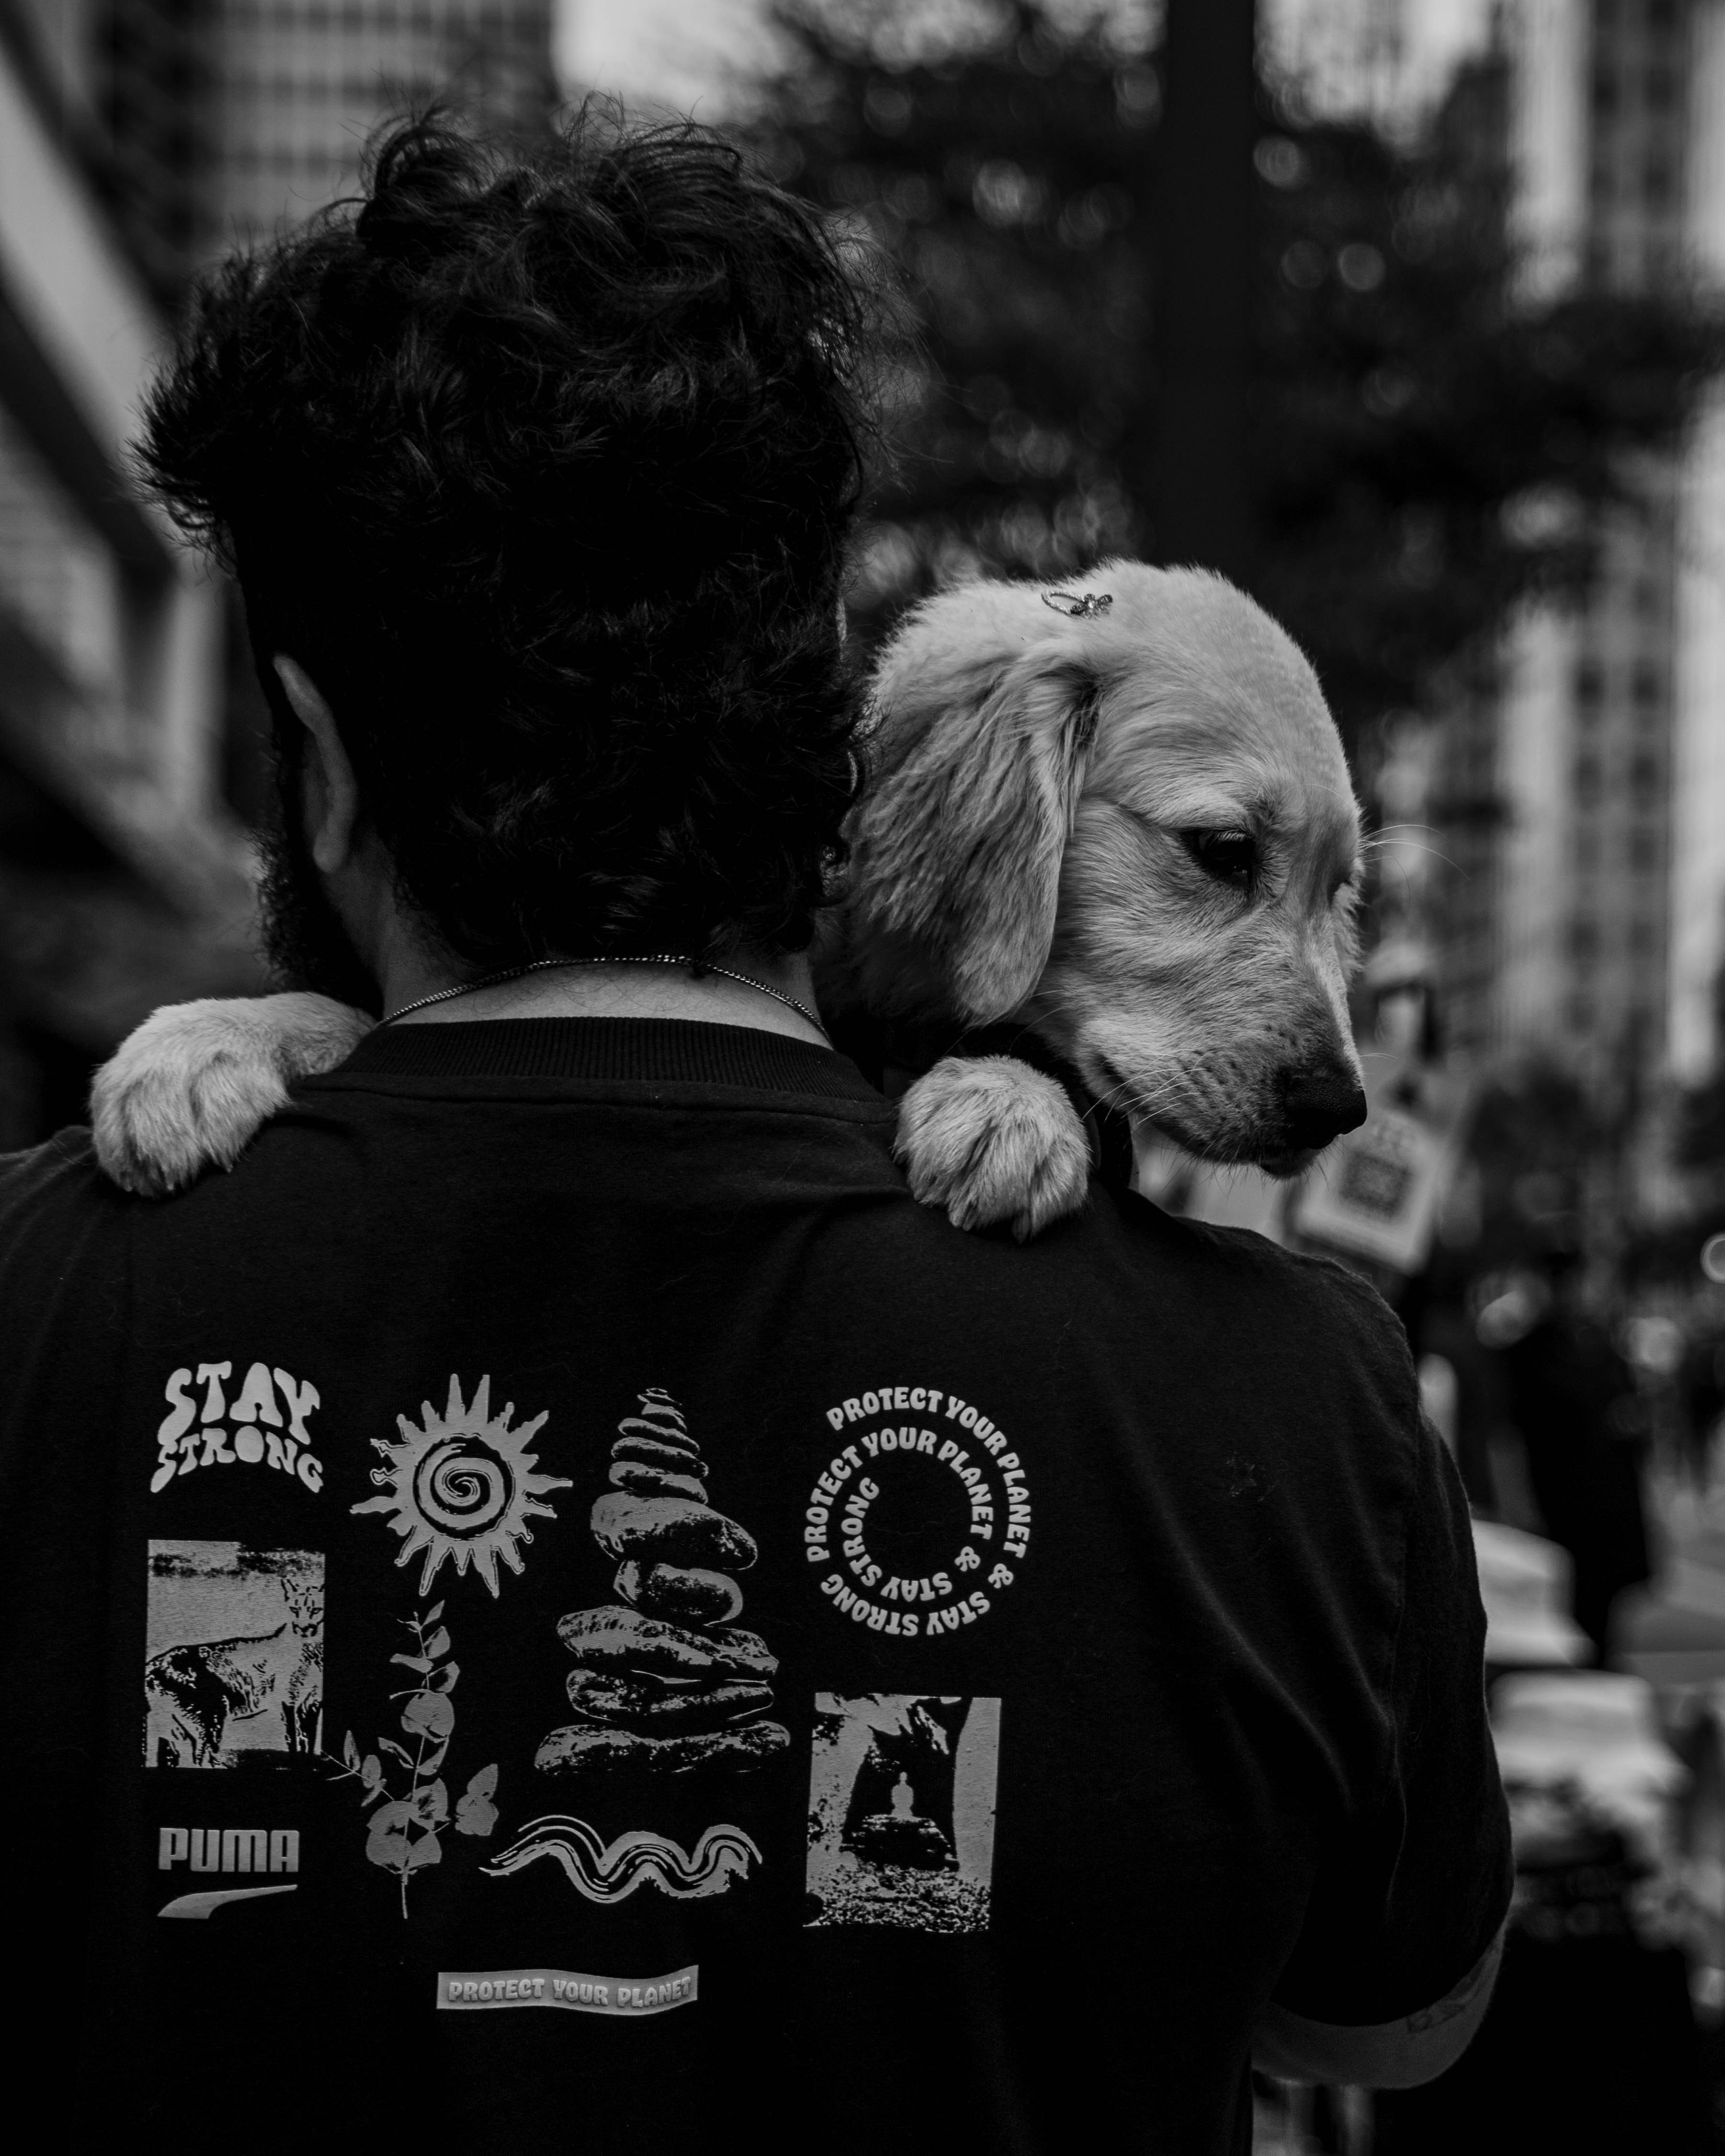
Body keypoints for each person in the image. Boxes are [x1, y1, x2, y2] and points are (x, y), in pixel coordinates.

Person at [0, 113, 1509, 2153]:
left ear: (326, 770)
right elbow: (1388, 2033)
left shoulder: (33, 1292)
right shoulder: (1308, 1407)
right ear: (806, 699)